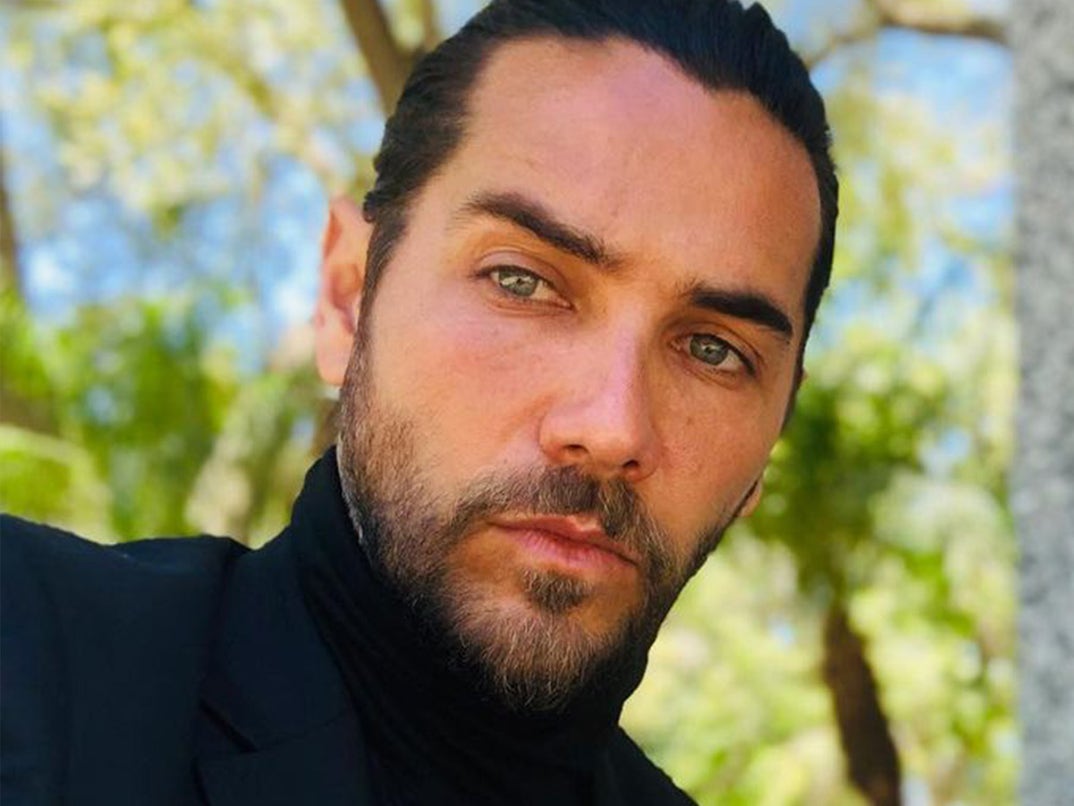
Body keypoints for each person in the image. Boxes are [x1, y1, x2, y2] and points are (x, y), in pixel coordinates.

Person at [1, 0, 838, 803]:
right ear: (348, 298)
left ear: (773, 435)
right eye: (521, 281)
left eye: (713, 351)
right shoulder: (32, 663)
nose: (613, 426)